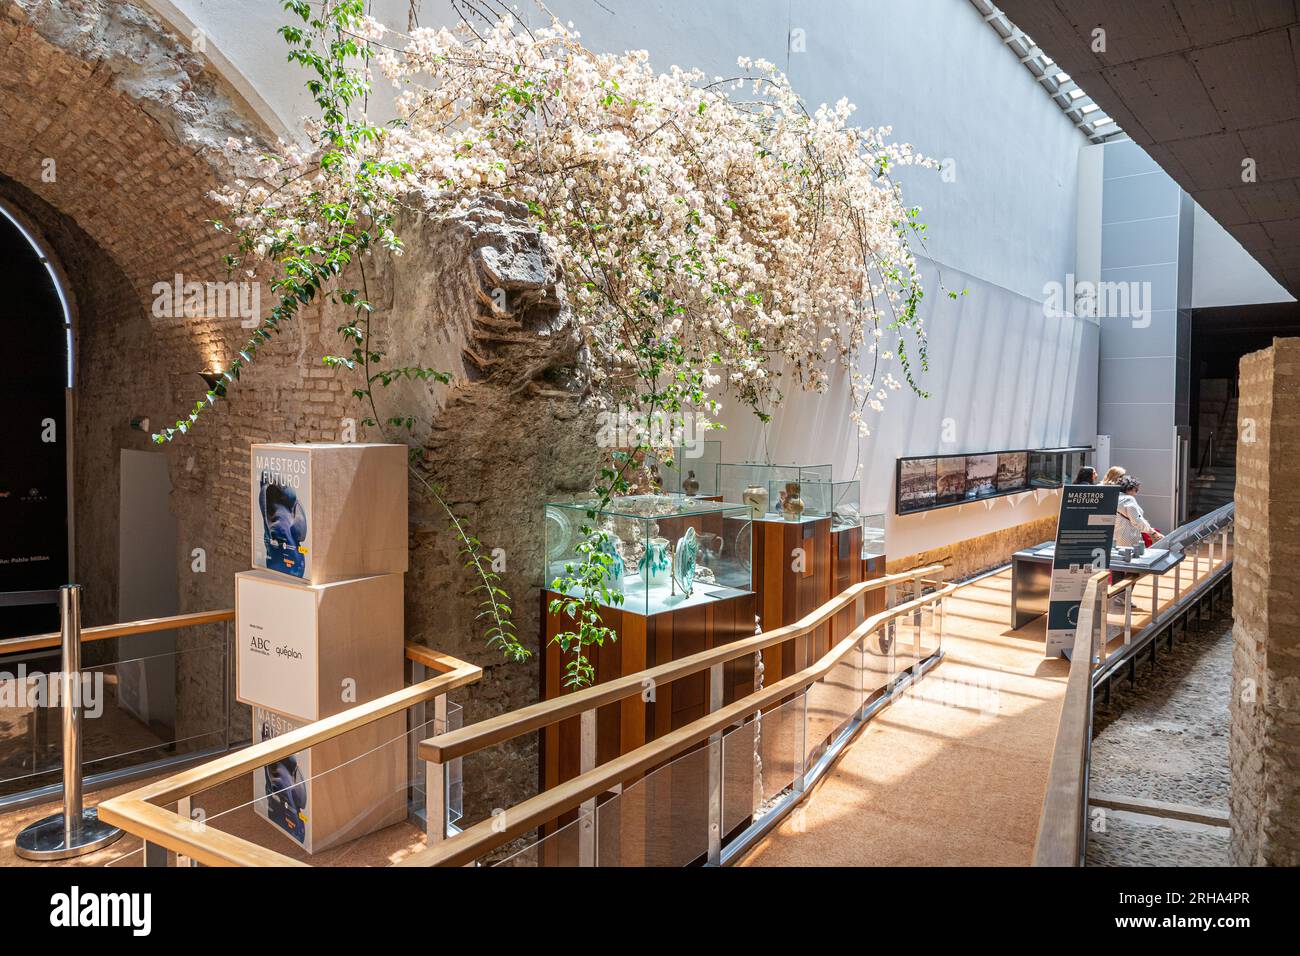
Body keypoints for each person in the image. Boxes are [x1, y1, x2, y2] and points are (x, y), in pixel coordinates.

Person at [1114, 475, 1161, 548]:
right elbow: (1137, 521)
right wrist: (1153, 532)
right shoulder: (1128, 499)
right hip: (1128, 540)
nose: (1136, 493)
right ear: (1131, 488)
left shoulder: (1113, 498)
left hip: (1114, 540)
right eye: (1136, 490)